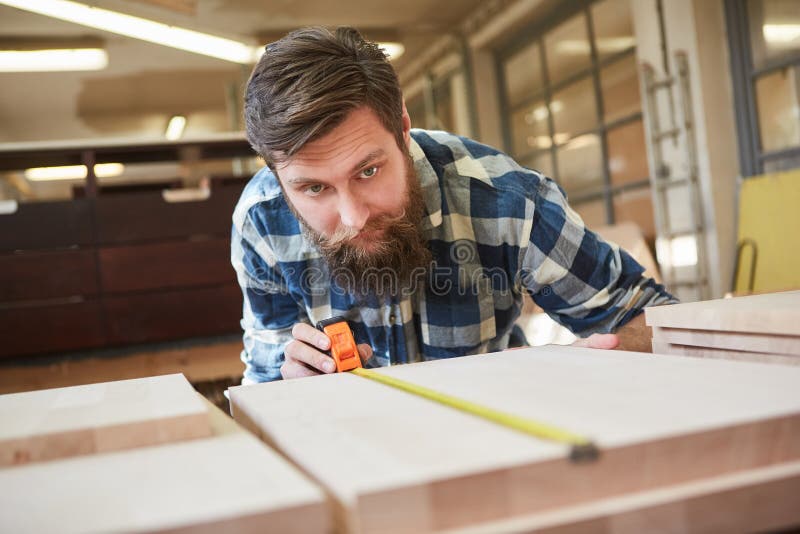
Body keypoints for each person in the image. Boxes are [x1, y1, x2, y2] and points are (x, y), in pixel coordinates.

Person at [233, 26, 676, 384]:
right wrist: (291, 386)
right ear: (277, 175)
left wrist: (566, 369)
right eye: (314, 189)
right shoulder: (262, 222)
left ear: (403, 128)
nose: (353, 217)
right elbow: (266, 378)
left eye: (367, 172)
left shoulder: (509, 201)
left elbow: (657, 319)